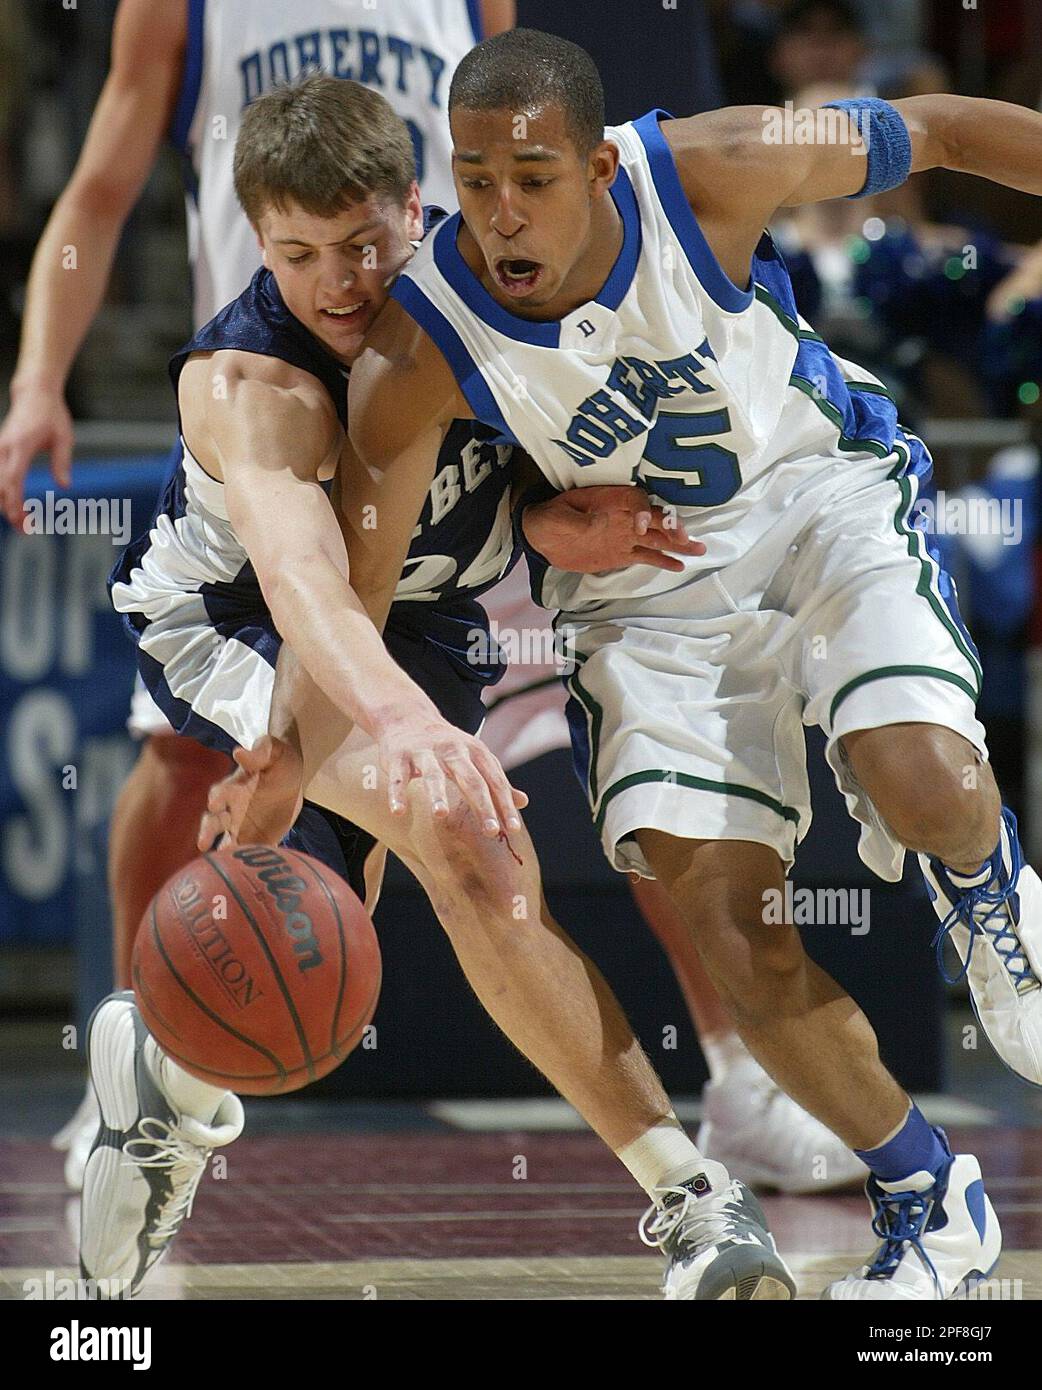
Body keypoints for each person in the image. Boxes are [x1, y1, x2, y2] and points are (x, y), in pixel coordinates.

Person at [4, 0, 860, 1198]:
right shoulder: (256, 362)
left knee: (434, 839)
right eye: (299, 252)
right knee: (420, 826)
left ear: (417, 208)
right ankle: (684, 1199)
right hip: (238, 595)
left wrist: (550, 514)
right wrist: (39, 373)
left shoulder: (471, 271)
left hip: (429, 580)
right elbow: (304, 578)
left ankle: (160, 1095)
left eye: (361, 245)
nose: (339, 281)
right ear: (258, 238)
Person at [301, 28, 1042, 1299]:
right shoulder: (416, 352)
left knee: (918, 777)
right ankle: (932, 1201)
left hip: (815, 498)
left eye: (530, 176)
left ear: (596, 167)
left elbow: (948, 131)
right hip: (641, 599)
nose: (499, 212)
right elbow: (357, 611)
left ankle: (986, 895)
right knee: (728, 929)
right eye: (473, 179)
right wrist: (342, 837)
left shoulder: (718, 167)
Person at [0, 0, 515, 1190]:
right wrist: (38, 381)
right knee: (190, 761)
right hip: (263, 424)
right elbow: (96, 193)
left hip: (414, 402)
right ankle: (133, 1054)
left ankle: (731, 1072)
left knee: (378, 834)